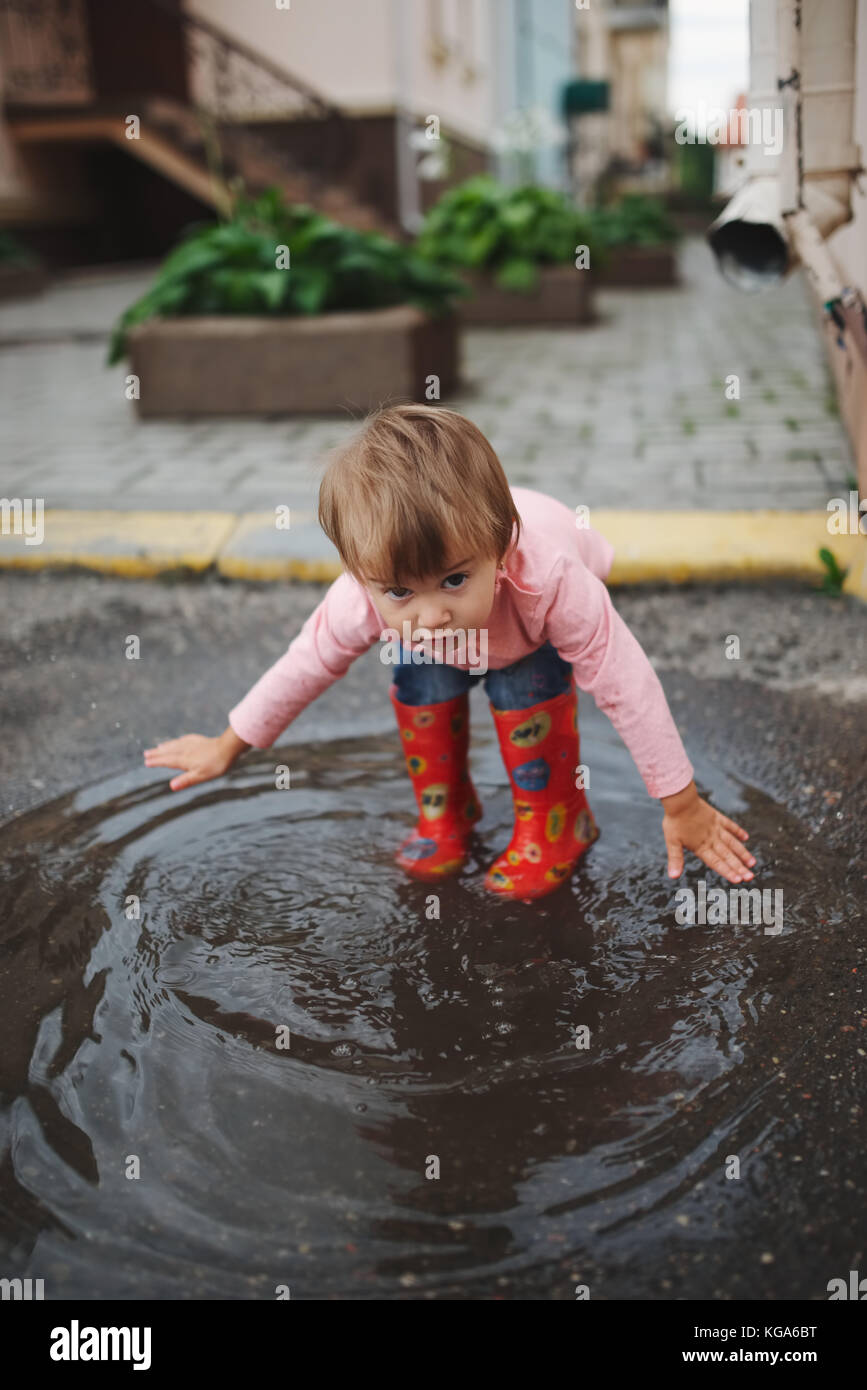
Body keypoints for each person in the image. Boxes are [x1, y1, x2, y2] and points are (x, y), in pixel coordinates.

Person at [144, 404, 755, 902]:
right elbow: (307, 662)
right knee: (420, 672)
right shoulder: (365, 594)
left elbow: (627, 683)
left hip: (523, 634)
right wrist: (228, 742)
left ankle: (557, 823)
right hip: (457, 625)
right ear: (361, 574)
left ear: (501, 545)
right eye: (400, 591)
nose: (431, 613)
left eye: (455, 581)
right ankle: (446, 814)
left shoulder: (551, 584)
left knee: (522, 684)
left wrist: (682, 802)